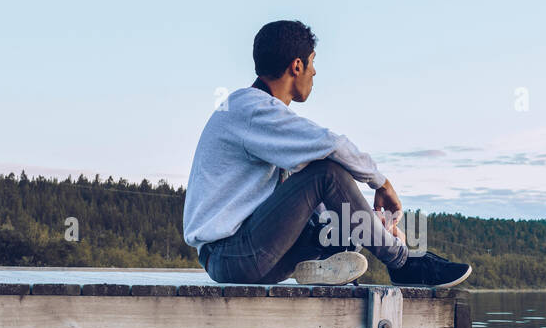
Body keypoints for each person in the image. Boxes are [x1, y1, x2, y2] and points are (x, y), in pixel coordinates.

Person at [183, 20, 472, 288]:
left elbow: (309, 191)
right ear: (297, 65)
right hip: (230, 256)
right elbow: (333, 145)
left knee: (338, 217)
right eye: (312, 62)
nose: (314, 72)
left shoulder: (264, 121)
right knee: (327, 172)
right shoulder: (249, 108)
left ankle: (328, 260)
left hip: (254, 254)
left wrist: (373, 227)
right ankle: (403, 265)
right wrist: (382, 184)